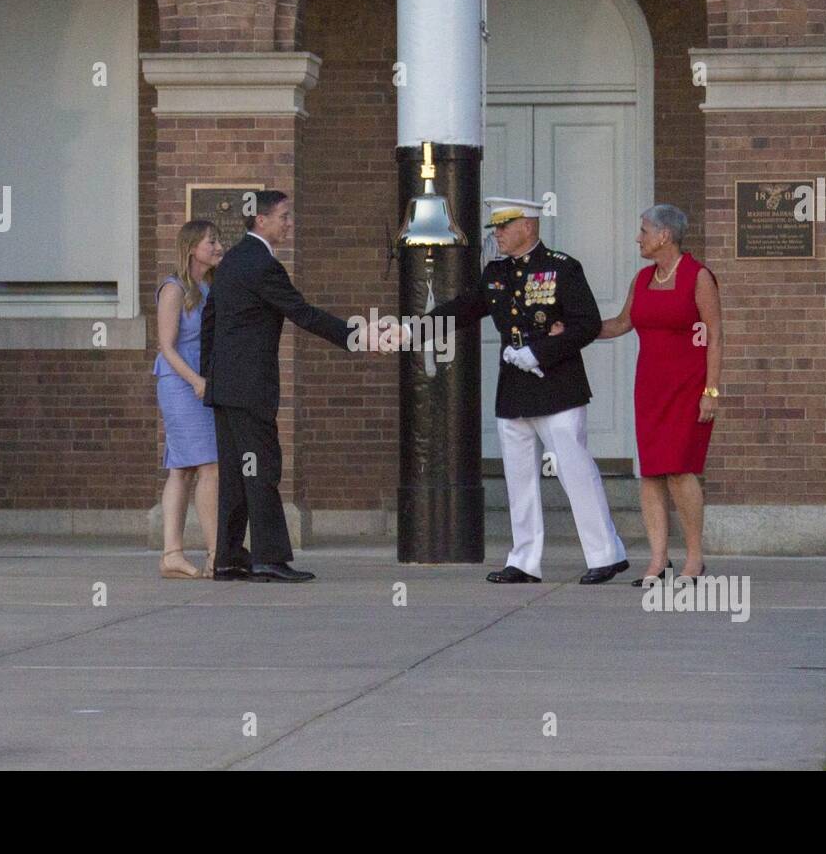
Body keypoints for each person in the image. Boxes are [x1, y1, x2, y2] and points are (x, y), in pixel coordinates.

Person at [412, 197, 630, 584]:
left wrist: (541, 351)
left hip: (557, 385)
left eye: (504, 226)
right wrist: (416, 329)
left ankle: (605, 553)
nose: (497, 233)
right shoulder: (496, 273)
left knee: (574, 470)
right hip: (514, 387)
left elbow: (587, 324)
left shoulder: (562, 268)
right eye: (495, 227)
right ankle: (524, 560)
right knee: (519, 477)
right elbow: (465, 308)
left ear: (528, 226)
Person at [201, 191, 389, 582]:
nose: (289, 224)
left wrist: (210, 378)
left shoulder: (232, 261)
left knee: (236, 475)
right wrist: (357, 336)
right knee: (262, 469)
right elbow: (302, 313)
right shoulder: (262, 265)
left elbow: (210, 321)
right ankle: (268, 557)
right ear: (261, 221)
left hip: (225, 387)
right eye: (284, 217)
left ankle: (229, 557)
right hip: (251, 386)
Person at [594, 204, 722, 584]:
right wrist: (575, 329)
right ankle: (658, 560)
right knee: (650, 473)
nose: (639, 238)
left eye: (644, 231)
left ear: (664, 235)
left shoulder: (698, 278)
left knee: (680, 470)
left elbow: (715, 337)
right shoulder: (643, 278)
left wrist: (710, 391)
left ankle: (694, 559)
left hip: (687, 388)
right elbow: (620, 323)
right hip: (649, 387)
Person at [153, 220, 224, 579]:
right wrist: (196, 380)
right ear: (192, 247)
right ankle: (215, 554)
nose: (218, 246)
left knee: (181, 469)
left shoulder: (208, 288)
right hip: (181, 384)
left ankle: (172, 554)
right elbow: (166, 347)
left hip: (202, 383)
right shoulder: (174, 289)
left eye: (217, 241)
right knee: (210, 465)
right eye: (211, 241)